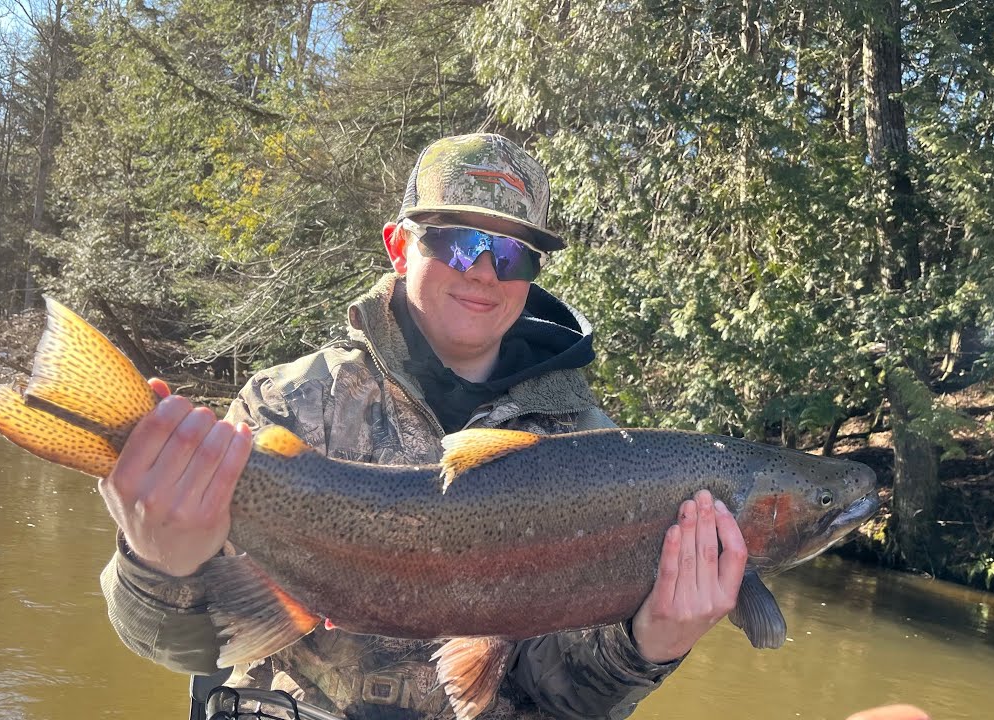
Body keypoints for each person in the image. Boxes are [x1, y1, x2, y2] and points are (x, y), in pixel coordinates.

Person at [98, 133, 748, 719]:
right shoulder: (289, 403)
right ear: (399, 246)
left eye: (513, 254)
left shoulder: (591, 449)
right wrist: (157, 562)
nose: (485, 271)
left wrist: (650, 644)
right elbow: (179, 644)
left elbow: (561, 694)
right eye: (459, 241)